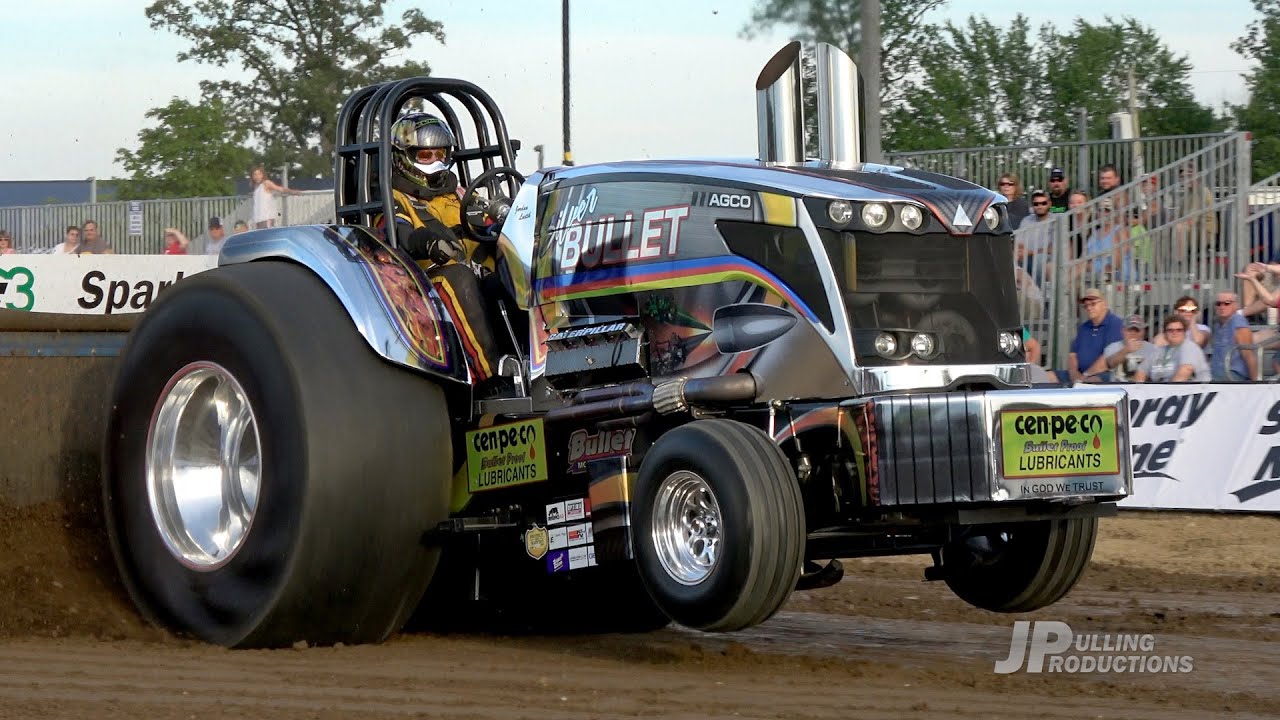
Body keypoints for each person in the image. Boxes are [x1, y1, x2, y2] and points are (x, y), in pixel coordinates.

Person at [374, 111, 502, 383]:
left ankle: (546, 361)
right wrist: (429, 242)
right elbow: (398, 232)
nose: (436, 162)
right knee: (459, 277)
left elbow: (490, 220)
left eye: (441, 154)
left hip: (474, 272)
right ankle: (489, 378)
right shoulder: (394, 198)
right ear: (403, 156)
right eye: (425, 156)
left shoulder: (458, 193)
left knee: (514, 273)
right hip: (421, 287)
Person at [1064, 288, 1124, 383]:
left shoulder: (1115, 324)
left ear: (1104, 304)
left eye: (1093, 304)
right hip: (1079, 375)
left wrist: (1084, 376)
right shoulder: (1083, 327)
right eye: (1086, 305)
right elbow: (1072, 355)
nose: (1089, 308)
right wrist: (1074, 374)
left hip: (1103, 374)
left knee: (1092, 382)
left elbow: (1107, 359)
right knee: (1048, 376)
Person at [1137, 314, 1211, 383]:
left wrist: (1165, 393)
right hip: (1162, 392)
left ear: (1185, 333)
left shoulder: (1190, 347)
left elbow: (1184, 372)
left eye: (1179, 330)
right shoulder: (1158, 351)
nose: (1175, 333)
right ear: (1165, 334)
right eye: (1170, 330)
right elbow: (1141, 372)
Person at [1209, 291, 1256, 381]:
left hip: (1233, 378)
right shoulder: (1217, 324)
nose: (1222, 307)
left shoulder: (1238, 323)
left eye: (1227, 303)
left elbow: (1248, 355)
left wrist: (1255, 384)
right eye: (1218, 304)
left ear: (1236, 306)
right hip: (1217, 376)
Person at [1101, 314, 1158, 382]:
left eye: (1137, 330)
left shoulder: (1153, 349)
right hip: (1119, 388)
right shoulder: (1113, 347)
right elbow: (1110, 364)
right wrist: (1126, 350)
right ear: (1122, 331)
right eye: (1130, 330)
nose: (1133, 334)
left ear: (1143, 332)